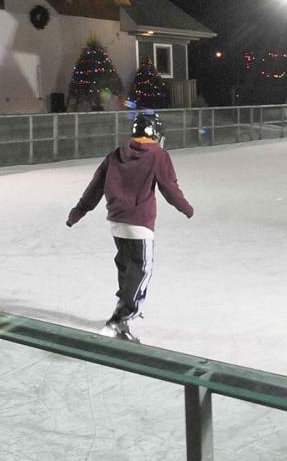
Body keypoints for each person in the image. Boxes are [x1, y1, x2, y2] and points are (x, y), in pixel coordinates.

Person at [66, 112, 194, 342]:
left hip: (117, 222)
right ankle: (121, 320)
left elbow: (95, 186)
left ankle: (122, 309)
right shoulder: (158, 155)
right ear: (155, 134)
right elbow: (170, 187)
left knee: (127, 268)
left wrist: (78, 211)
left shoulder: (115, 154)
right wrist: (186, 208)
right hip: (139, 222)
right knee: (142, 268)